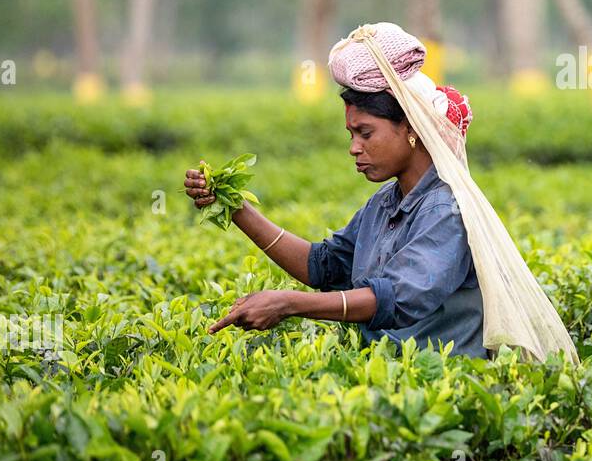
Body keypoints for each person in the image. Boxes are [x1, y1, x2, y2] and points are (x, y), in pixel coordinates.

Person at [186, 66, 486, 359]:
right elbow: (324, 265)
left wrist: (289, 303)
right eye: (351, 135)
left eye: (365, 133)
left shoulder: (446, 210)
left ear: (410, 129)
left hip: (437, 379)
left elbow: (395, 298)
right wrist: (235, 207)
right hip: (386, 371)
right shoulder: (385, 201)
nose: (354, 148)